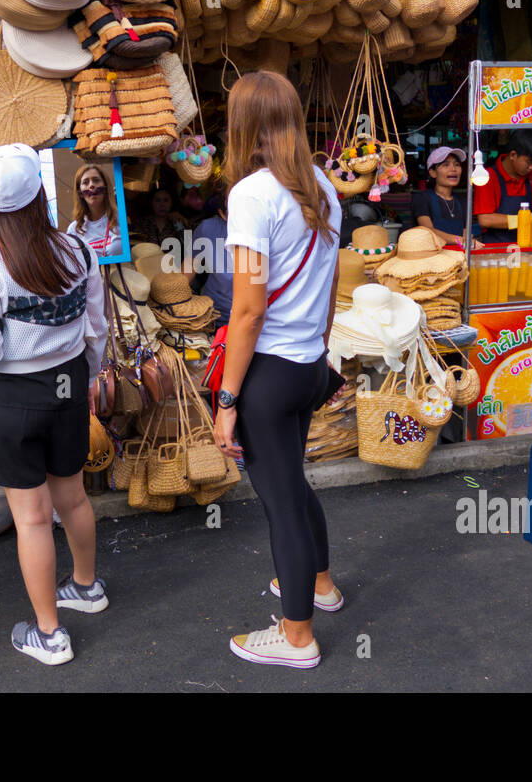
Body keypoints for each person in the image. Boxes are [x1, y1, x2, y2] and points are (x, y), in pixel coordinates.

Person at [0, 143, 109, 666]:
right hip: (68, 386)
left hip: (14, 398)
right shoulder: (79, 249)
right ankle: (85, 586)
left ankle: (49, 633)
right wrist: (95, 374)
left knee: (33, 520)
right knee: (74, 499)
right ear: (42, 195)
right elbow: (97, 329)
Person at [213, 71, 343, 669]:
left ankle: (297, 637)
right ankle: (319, 585)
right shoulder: (323, 185)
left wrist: (227, 399)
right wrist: (315, 343)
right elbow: (333, 279)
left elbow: (247, 309)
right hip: (309, 365)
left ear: (243, 126)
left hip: (269, 374)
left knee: (280, 502)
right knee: (293, 486)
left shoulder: (251, 194)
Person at [411, 146, 483, 249]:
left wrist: (469, 241)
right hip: (431, 257)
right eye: (446, 165)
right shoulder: (422, 198)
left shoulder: (462, 201)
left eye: (457, 165)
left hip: (458, 258)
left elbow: (465, 231)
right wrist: (461, 240)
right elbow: (427, 230)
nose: (453, 169)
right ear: (433, 172)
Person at [183, 185, 233, 329]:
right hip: (215, 313)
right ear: (222, 214)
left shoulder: (262, 227)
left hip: (256, 316)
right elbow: (188, 271)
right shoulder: (208, 228)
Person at [65, 163, 122, 259]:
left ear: (105, 187)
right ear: (80, 193)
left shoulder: (121, 219)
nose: (91, 185)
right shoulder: (74, 230)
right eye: (85, 182)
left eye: (96, 180)